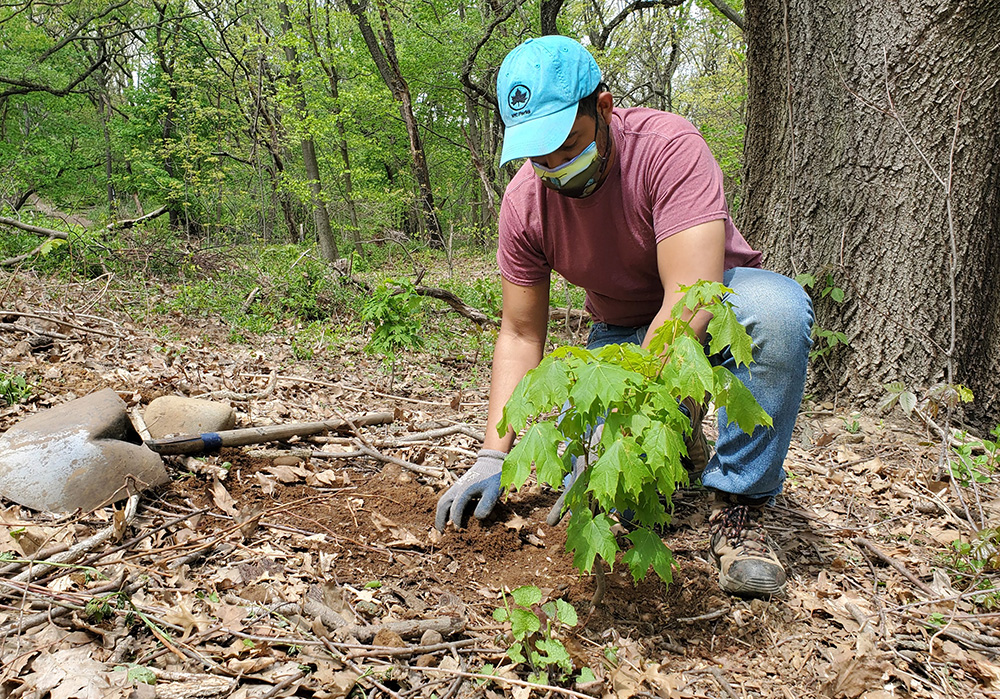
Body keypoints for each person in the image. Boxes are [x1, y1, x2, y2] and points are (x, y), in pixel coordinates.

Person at [435, 35, 814, 599]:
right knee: (583, 467)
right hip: (616, 333)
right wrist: (494, 451)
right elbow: (519, 333)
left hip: (717, 306)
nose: (557, 168)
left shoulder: (668, 149)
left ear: (604, 109)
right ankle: (677, 433)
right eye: (540, 155)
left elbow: (692, 292)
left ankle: (739, 503)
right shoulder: (523, 205)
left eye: (568, 144)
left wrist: (630, 414)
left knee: (778, 311)